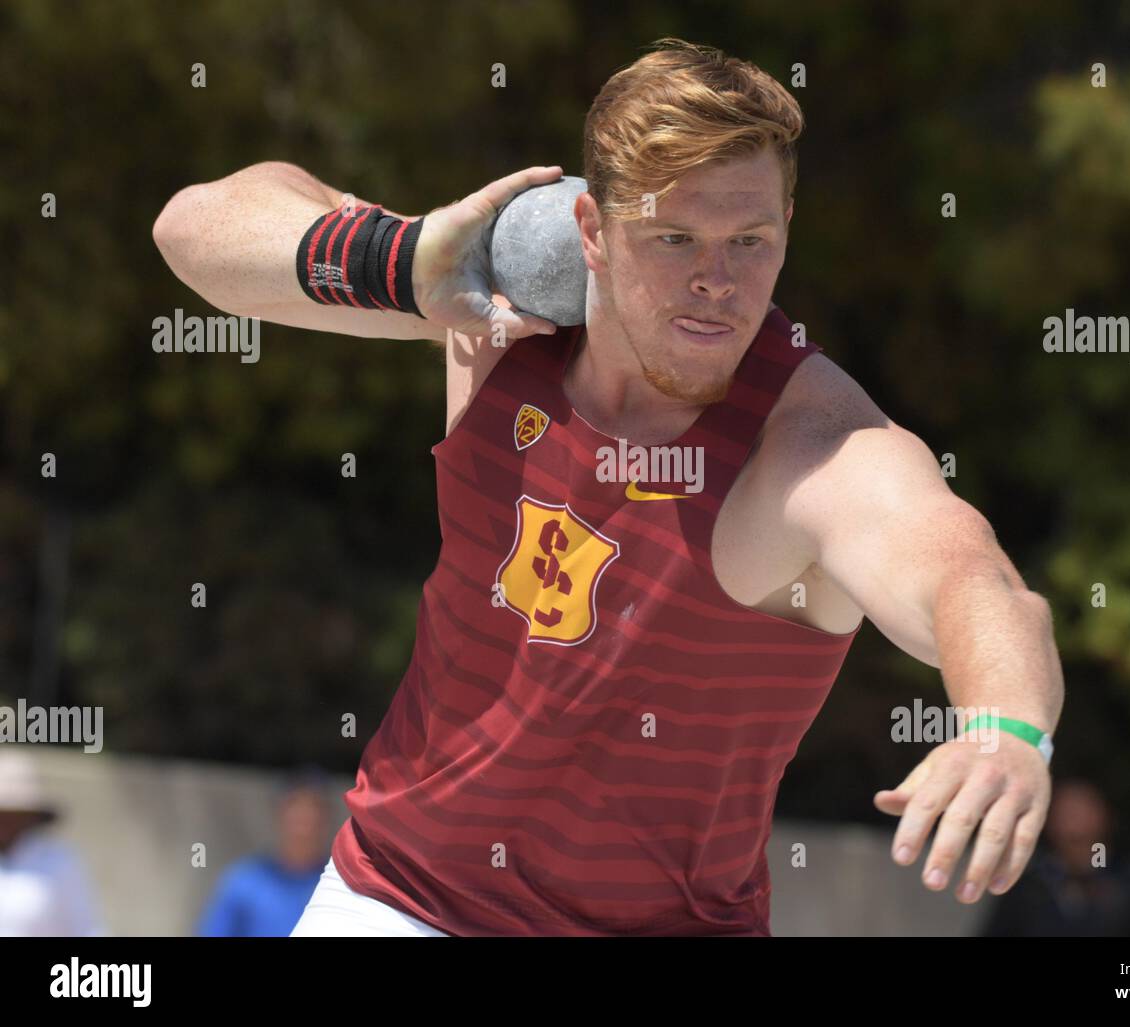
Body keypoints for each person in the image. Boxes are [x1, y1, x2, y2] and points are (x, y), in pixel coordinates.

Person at [153, 37, 1065, 937]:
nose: (718, 281)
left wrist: (1007, 728)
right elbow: (194, 231)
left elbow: (972, 581)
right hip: (402, 898)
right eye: (675, 239)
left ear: (788, 226)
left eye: (751, 240)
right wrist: (403, 259)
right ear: (593, 231)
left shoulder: (811, 450)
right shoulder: (497, 322)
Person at [979, 777, 1130, 936]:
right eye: (1066, 812)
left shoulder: (1129, 889)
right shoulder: (1028, 889)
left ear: (1104, 816)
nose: (1074, 823)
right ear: (1049, 819)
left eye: (1083, 811)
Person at [195, 769, 331, 936]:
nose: (304, 820)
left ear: (325, 818)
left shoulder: (337, 884)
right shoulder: (244, 881)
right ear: (279, 814)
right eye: (295, 807)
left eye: (313, 808)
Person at [0, 750, 105, 937]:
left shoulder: (59, 862)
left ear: (29, 816)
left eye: (13, 814)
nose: (6, 822)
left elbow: (87, 929)